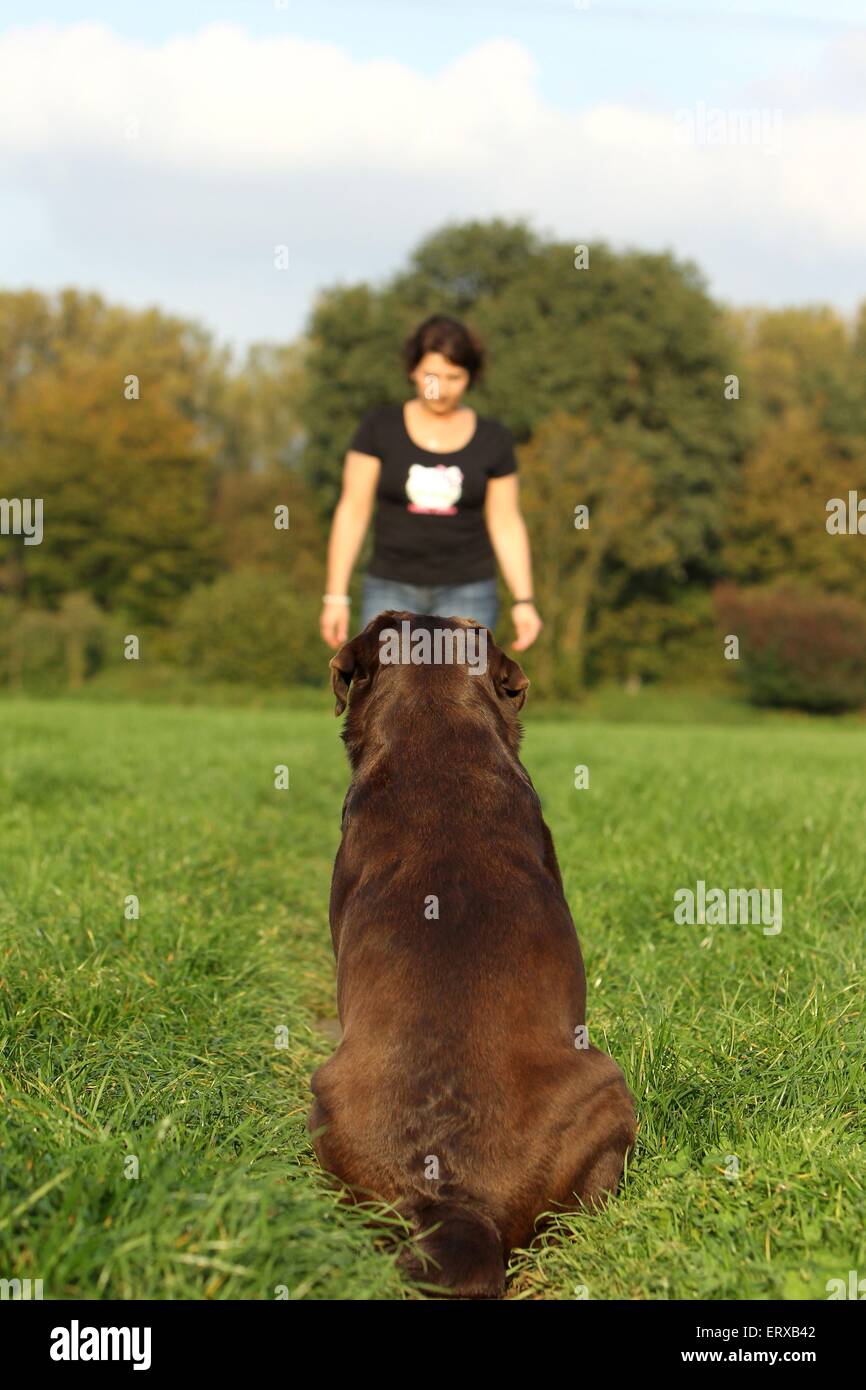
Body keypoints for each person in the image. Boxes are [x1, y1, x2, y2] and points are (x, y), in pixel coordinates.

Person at [319, 314, 543, 652]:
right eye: (430, 375)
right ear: (412, 370)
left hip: (469, 590)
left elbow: (506, 522)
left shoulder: (493, 439)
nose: (440, 389)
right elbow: (352, 510)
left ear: (470, 377)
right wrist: (335, 595)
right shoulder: (379, 428)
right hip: (390, 587)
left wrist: (524, 600)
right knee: (389, 698)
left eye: (454, 377)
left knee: (461, 701)